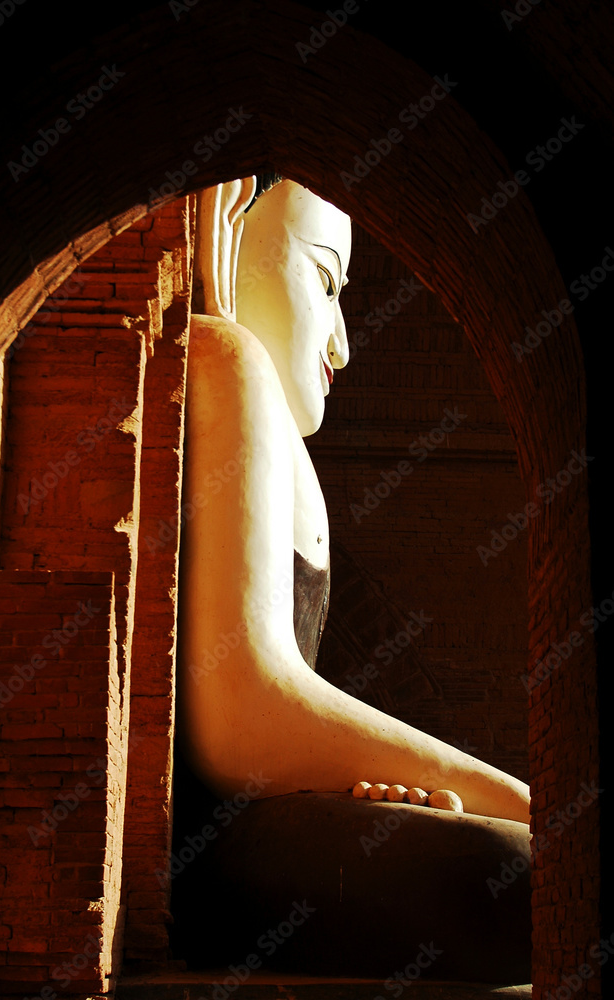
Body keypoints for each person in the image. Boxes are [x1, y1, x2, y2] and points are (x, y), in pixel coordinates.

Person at [175, 175, 531, 980]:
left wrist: (346, 787)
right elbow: (238, 717)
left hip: (264, 821)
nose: (342, 343)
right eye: (327, 281)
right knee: (515, 872)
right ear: (225, 224)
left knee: (506, 862)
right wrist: (513, 794)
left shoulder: (257, 399)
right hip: (198, 844)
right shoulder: (226, 361)